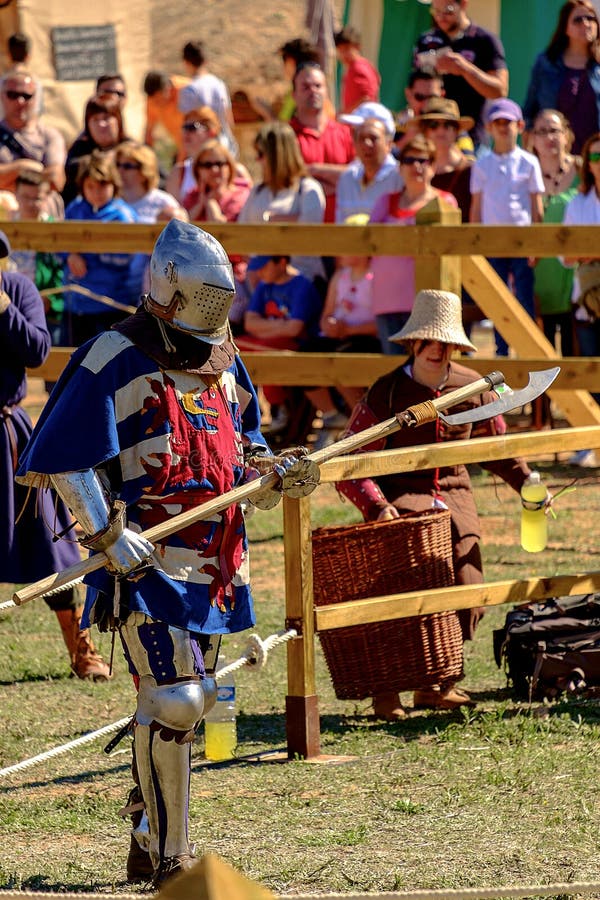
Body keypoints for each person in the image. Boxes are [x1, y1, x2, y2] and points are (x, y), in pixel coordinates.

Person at [16, 219, 310, 885]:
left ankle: (148, 829)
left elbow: (246, 449)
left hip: (213, 559)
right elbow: (66, 460)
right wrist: (111, 535)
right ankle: (173, 859)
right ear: (172, 290)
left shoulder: (223, 362)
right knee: (174, 700)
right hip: (144, 562)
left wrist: (275, 473)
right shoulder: (112, 355)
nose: (212, 315)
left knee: (194, 697)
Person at [336, 288, 533, 718]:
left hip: (457, 498)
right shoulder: (387, 392)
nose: (436, 350)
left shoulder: (474, 387)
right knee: (403, 590)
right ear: (412, 342)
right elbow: (349, 457)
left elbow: (498, 447)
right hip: (401, 501)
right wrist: (376, 506)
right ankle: (386, 692)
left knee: (468, 584)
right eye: (428, 341)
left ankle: (436, 684)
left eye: (445, 343)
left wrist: (529, 483)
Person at [0, 228, 110, 682]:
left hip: (5, 432)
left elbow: (37, 350)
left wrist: (2, 309)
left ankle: (81, 648)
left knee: (48, 547)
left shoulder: (17, 289)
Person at [368, 134, 459, 354]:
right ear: (400, 167)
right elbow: (369, 242)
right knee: (396, 376)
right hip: (387, 300)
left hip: (430, 304)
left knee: (427, 370)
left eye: (423, 160)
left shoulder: (445, 202)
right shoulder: (385, 201)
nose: (416, 166)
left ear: (433, 167)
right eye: (409, 160)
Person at [470, 99, 545, 357]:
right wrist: (475, 245)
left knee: (524, 299)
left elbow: (537, 207)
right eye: (497, 123)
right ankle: (502, 354)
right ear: (489, 128)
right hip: (493, 244)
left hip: (523, 243)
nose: (503, 128)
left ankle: (530, 353)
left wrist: (537, 243)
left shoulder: (529, 162)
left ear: (520, 126)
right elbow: (476, 209)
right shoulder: (481, 165)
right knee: (497, 300)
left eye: (508, 122)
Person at [240, 254, 323, 440]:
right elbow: (249, 323)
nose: (259, 272)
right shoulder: (264, 284)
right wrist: (280, 326)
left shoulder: (301, 285)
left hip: (297, 346)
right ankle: (244, 410)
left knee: (268, 353)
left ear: (282, 262)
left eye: (264, 266)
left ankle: (278, 407)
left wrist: (264, 328)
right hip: (269, 341)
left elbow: (295, 329)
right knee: (236, 348)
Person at [63, 150, 138, 345]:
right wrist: (70, 254)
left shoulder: (122, 216)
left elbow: (124, 258)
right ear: (83, 187)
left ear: (114, 184)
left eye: (103, 185)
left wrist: (87, 250)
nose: (97, 192)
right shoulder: (75, 209)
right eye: (91, 186)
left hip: (111, 303)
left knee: (106, 362)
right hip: (75, 302)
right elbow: (58, 239)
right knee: (71, 359)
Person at [238, 121, 326, 285]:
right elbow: (242, 235)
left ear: (278, 155)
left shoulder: (308, 189)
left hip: (300, 282)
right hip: (259, 284)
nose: (258, 160)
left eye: (261, 154)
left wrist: (271, 221)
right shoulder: (258, 191)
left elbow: (307, 236)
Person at [413, 0, 508, 149]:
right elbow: (414, 87)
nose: (441, 17)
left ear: (463, 4)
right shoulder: (426, 41)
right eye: (436, 11)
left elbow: (500, 90)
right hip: (433, 134)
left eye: (448, 10)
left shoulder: (484, 40)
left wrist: (465, 69)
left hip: (472, 135)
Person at [184, 140, 251, 331]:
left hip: (232, 271)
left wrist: (212, 205)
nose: (214, 169)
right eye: (207, 165)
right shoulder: (193, 196)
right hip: (196, 271)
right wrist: (201, 203)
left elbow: (223, 239)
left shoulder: (242, 195)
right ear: (198, 170)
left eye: (220, 163)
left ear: (229, 167)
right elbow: (181, 231)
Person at [563, 130, 600, 464]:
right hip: (587, 299)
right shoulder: (577, 201)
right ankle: (589, 441)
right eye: (596, 156)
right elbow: (565, 254)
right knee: (590, 370)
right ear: (587, 163)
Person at [531, 109, 579, 359]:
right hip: (538, 277)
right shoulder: (525, 171)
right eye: (542, 131)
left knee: (578, 354)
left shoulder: (585, 170)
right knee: (541, 360)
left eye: (554, 130)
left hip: (577, 279)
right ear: (532, 139)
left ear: (567, 135)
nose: (549, 137)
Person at [523, 1, 600, 155]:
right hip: (554, 159)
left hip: (594, 161)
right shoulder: (545, 64)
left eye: (591, 18)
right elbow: (530, 112)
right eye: (578, 20)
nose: (586, 23)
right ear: (565, 28)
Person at [289, 61, 355, 222]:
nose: (313, 91)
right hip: (301, 232)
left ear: (326, 91)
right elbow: (287, 182)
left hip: (343, 227)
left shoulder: (345, 133)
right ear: (294, 95)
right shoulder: (286, 137)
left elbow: (358, 178)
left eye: (318, 86)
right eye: (305, 87)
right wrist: (337, 183)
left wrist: (314, 170)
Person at [0, 68, 65, 204]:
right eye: (12, 95)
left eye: (26, 95)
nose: (20, 101)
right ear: (2, 96)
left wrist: (8, 176)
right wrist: (24, 167)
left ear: (36, 99)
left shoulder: (50, 136)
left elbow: (56, 181)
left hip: (42, 215)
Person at [335, 104, 403, 222]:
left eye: (373, 138)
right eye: (361, 138)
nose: (366, 144)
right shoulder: (347, 178)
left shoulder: (400, 178)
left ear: (389, 143)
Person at [416, 97, 475, 221]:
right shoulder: (414, 168)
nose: (441, 130)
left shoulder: (472, 171)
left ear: (457, 131)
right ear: (424, 131)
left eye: (448, 125)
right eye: (433, 125)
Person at [63, 97, 130, 206]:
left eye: (106, 118)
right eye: (95, 119)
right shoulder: (79, 150)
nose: (101, 124)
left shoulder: (131, 149)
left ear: (118, 120)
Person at [178, 40, 237, 155]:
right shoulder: (219, 84)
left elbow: (187, 127)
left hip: (202, 151)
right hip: (225, 147)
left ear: (186, 62)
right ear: (205, 61)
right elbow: (229, 119)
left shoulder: (188, 91)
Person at [143, 70, 191, 166]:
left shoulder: (186, 90)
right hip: (182, 149)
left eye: (159, 100)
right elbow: (149, 131)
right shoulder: (152, 100)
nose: (157, 104)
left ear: (167, 88)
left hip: (200, 144)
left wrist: (180, 162)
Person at [334, 26, 381, 115]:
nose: (343, 54)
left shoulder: (357, 68)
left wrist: (344, 114)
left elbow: (367, 98)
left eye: (347, 49)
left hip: (360, 120)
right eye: (340, 50)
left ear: (357, 47)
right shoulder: (364, 65)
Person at [277, 38, 323, 121]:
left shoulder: (299, 93)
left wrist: (267, 112)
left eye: (284, 61)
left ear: (291, 61)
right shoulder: (318, 92)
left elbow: (285, 128)